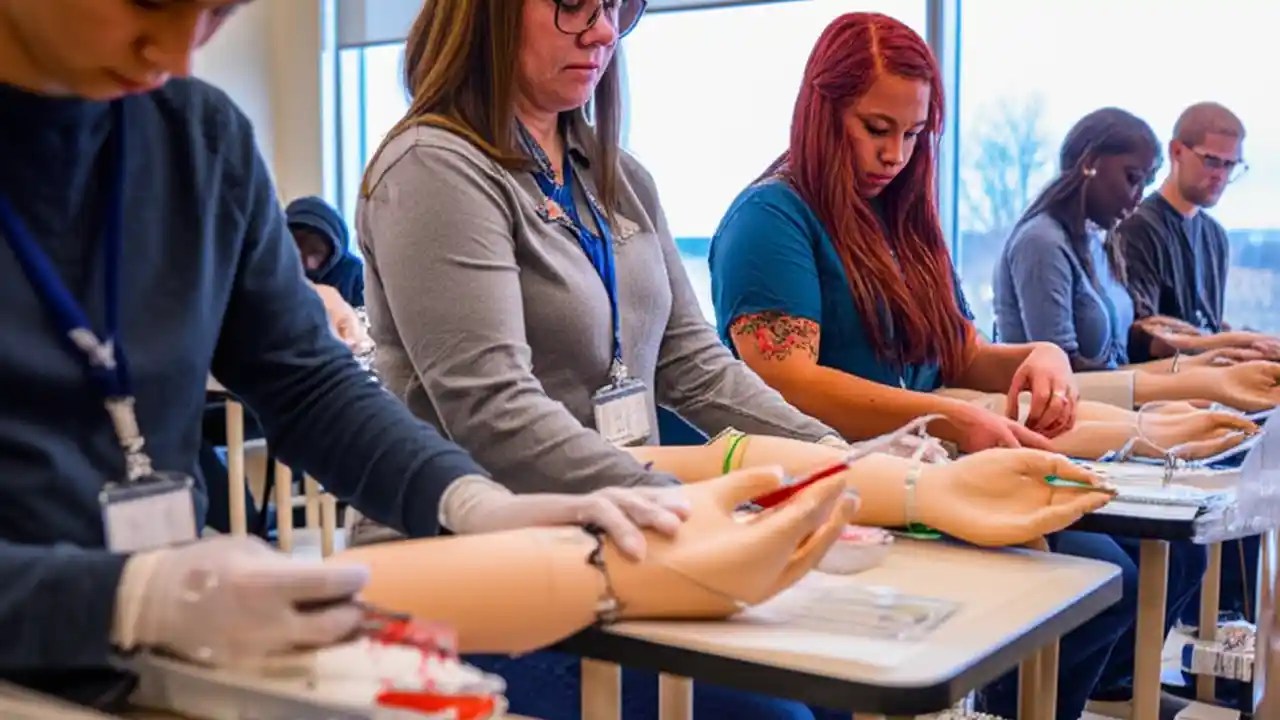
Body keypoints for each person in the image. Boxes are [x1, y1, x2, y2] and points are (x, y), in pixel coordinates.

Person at [0, 0, 698, 709]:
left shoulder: (196, 138)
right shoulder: (430, 164)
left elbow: (309, 387)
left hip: (162, 667)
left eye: (217, 12)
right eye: (148, 3)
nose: (180, 56)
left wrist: (466, 499)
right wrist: (129, 597)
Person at [704, 13, 1175, 720]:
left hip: (930, 463)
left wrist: (1039, 355)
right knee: (1096, 577)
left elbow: (956, 350)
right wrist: (950, 416)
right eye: (876, 128)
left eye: (915, 133)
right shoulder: (771, 219)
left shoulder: (900, 216)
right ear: (820, 110)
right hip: (838, 484)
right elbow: (785, 380)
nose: (896, 153)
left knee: (1109, 582)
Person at [993, 108, 1280, 415]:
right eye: (1132, 179)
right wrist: (1203, 375)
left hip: (1101, 410)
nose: (1137, 197)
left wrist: (1221, 355)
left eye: (1146, 183)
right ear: (1090, 164)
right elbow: (1061, 379)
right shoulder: (1042, 242)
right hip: (1061, 420)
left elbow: (1128, 347)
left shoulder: (1097, 241)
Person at [1116, 102, 1279, 361]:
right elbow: (1147, 335)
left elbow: (1208, 325)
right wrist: (1240, 345)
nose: (1221, 176)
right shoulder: (1137, 229)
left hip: (1208, 387)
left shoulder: (1216, 237)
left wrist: (1253, 345)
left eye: (1230, 165)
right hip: (1159, 391)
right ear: (1177, 151)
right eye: (1211, 161)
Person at [286, 195, 365, 309]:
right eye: (297, 251)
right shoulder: (272, 273)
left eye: (316, 253)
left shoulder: (354, 275)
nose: (307, 264)